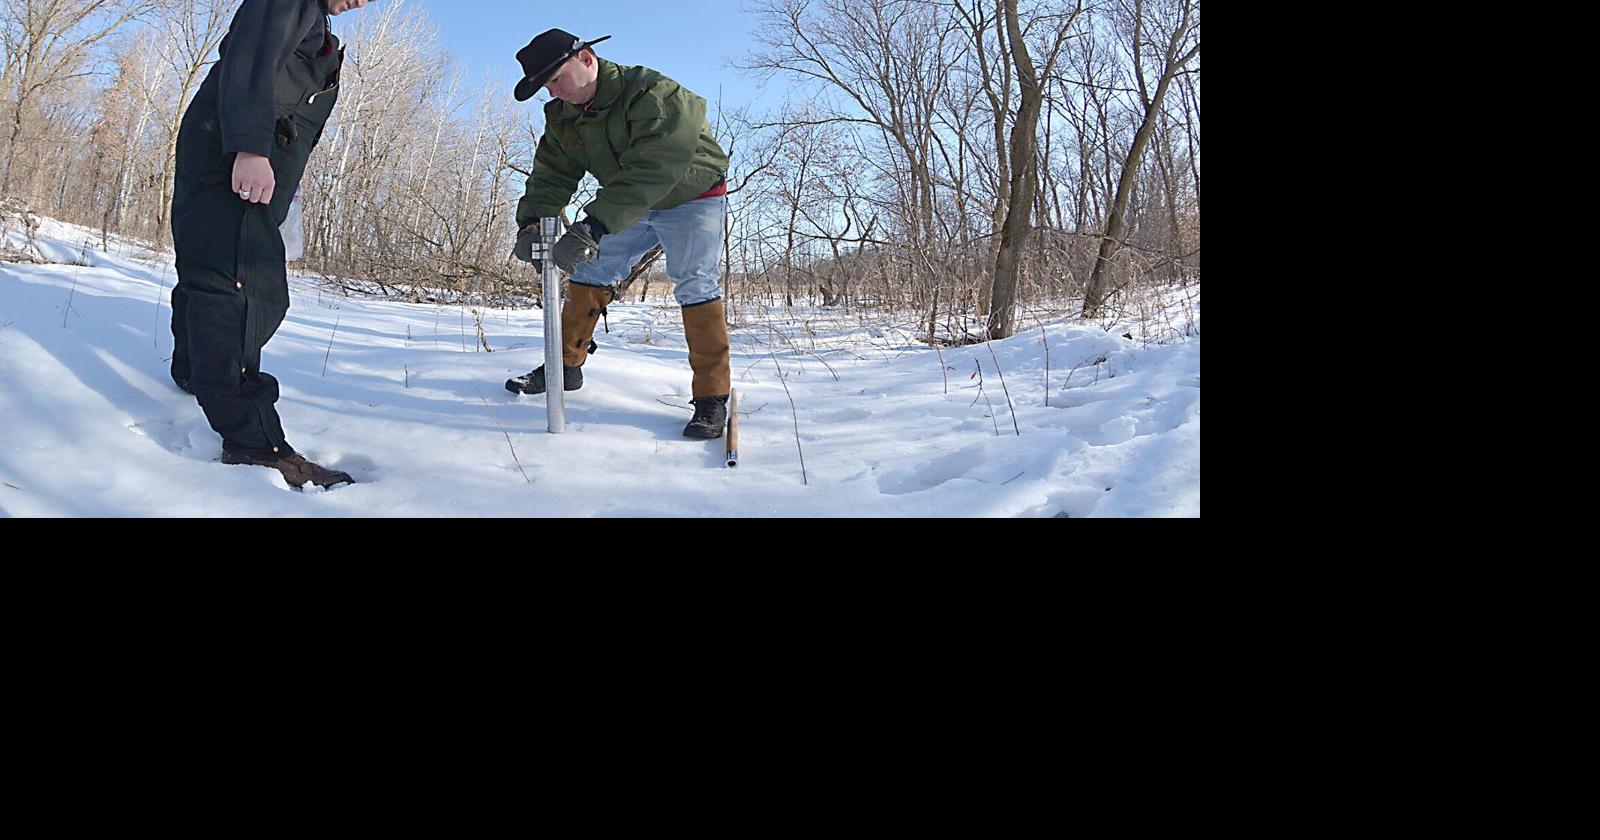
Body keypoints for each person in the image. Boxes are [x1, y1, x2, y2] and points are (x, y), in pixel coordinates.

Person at [168, 0, 373, 489]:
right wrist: (251, 147)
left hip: (246, 153)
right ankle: (253, 443)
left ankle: (195, 371)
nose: (363, 2)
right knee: (245, 288)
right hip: (238, 151)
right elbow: (250, 60)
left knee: (211, 268)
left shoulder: (312, 17)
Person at [505, 29, 734, 439]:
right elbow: (551, 175)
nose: (554, 93)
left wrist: (593, 226)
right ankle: (565, 367)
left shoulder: (655, 94)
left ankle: (711, 399)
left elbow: (656, 168)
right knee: (589, 269)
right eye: (546, 87)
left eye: (556, 80)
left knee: (695, 281)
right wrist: (532, 222)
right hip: (630, 201)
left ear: (587, 59)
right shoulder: (564, 115)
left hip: (692, 195)